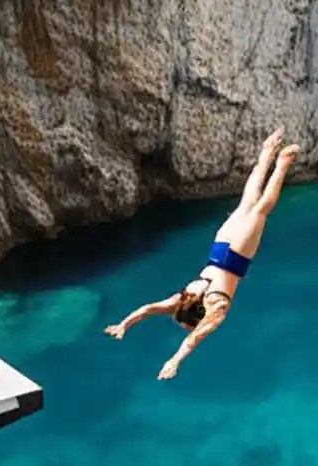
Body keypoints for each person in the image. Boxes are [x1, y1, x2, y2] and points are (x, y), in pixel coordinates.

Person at [104, 127, 300, 380]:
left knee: (260, 209)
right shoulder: (181, 299)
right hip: (218, 250)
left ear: (197, 317)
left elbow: (192, 340)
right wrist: (124, 325)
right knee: (247, 202)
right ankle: (266, 153)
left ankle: (282, 163)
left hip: (235, 260)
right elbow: (148, 309)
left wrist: (174, 362)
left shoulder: (215, 309)